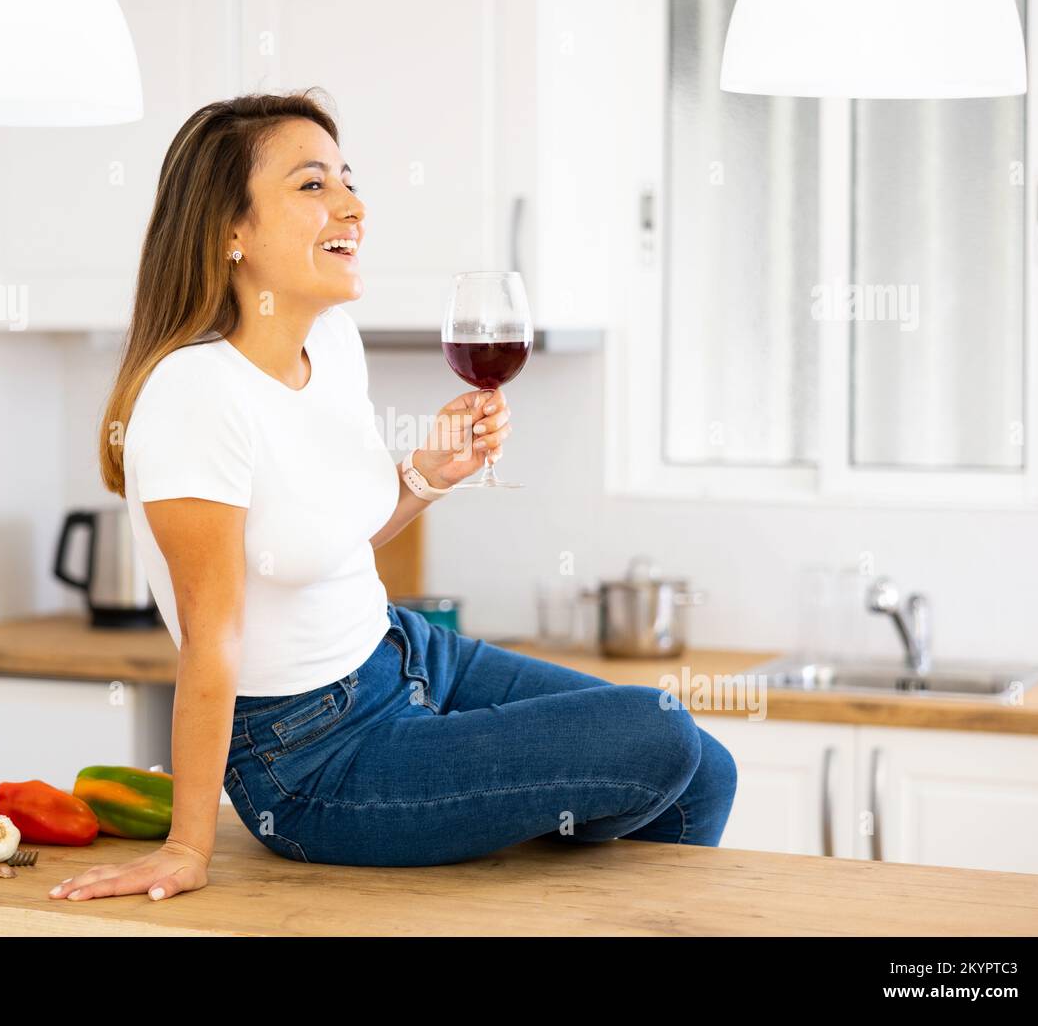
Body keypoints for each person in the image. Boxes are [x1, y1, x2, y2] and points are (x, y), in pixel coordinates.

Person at [51, 89, 736, 903]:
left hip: (403, 653)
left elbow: (324, 543)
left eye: (347, 178)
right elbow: (212, 641)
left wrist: (421, 480)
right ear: (230, 230)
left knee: (706, 769)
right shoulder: (196, 395)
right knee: (654, 732)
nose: (352, 204)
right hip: (308, 753)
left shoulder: (331, 344)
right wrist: (187, 846)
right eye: (313, 185)